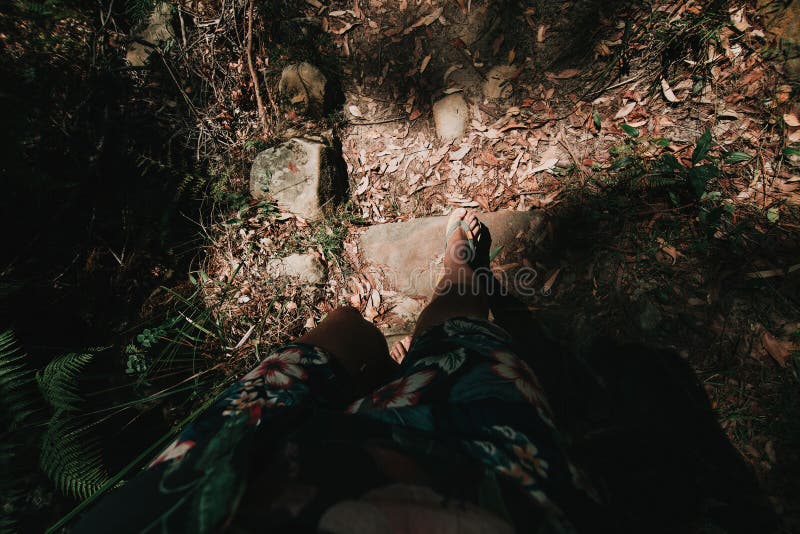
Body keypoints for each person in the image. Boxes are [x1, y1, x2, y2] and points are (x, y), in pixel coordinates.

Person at [74, 209, 603, 533]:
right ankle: (459, 271)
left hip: (206, 474)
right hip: (470, 476)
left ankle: (394, 373)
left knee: (345, 327)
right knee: (458, 334)